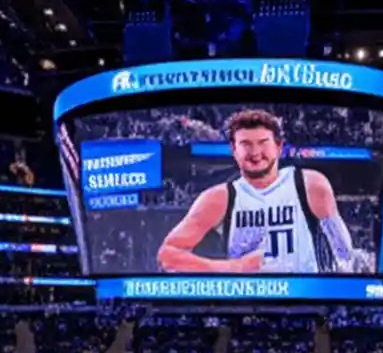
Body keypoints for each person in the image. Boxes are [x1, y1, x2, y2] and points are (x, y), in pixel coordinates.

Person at [156, 109, 369, 274]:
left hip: (305, 301)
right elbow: (168, 254)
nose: (255, 152)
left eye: (263, 143)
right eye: (246, 144)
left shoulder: (310, 184)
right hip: (244, 305)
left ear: (279, 146)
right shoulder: (219, 198)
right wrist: (233, 268)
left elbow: (344, 253)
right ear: (234, 150)